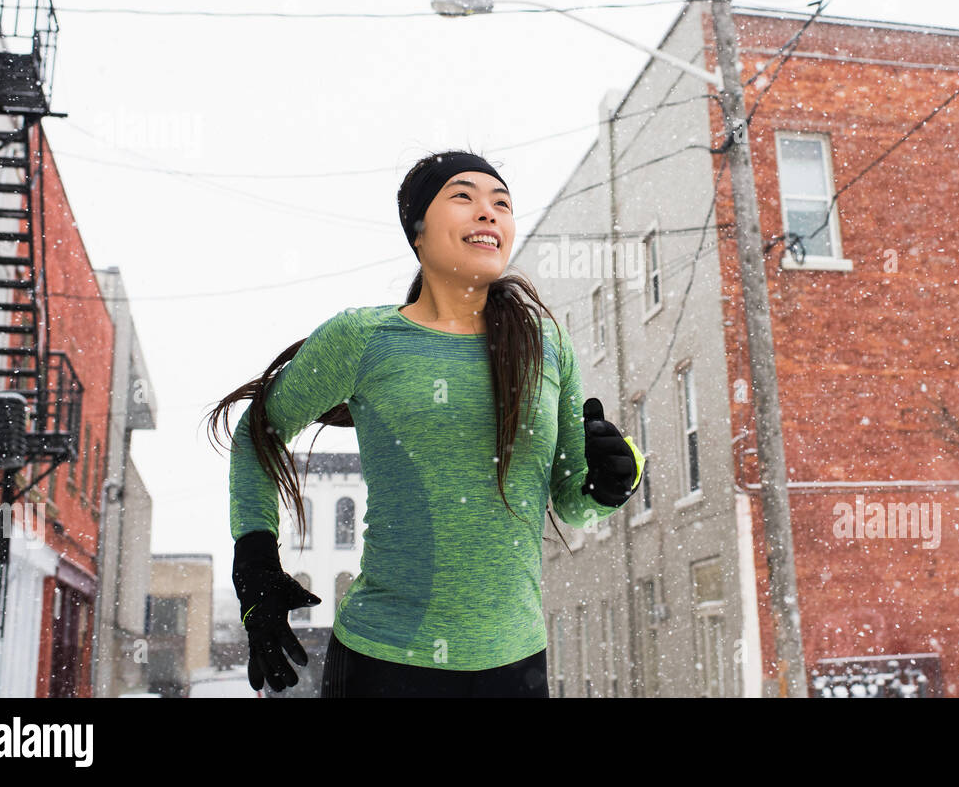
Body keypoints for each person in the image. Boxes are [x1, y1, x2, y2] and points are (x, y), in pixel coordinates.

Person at [203, 150, 644, 697]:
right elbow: (258, 431)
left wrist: (614, 479)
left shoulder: (545, 346)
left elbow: (574, 501)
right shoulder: (364, 339)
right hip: (382, 663)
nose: (489, 213)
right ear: (418, 230)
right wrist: (255, 562)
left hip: (515, 667)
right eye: (464, 196)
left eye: (501, 203)